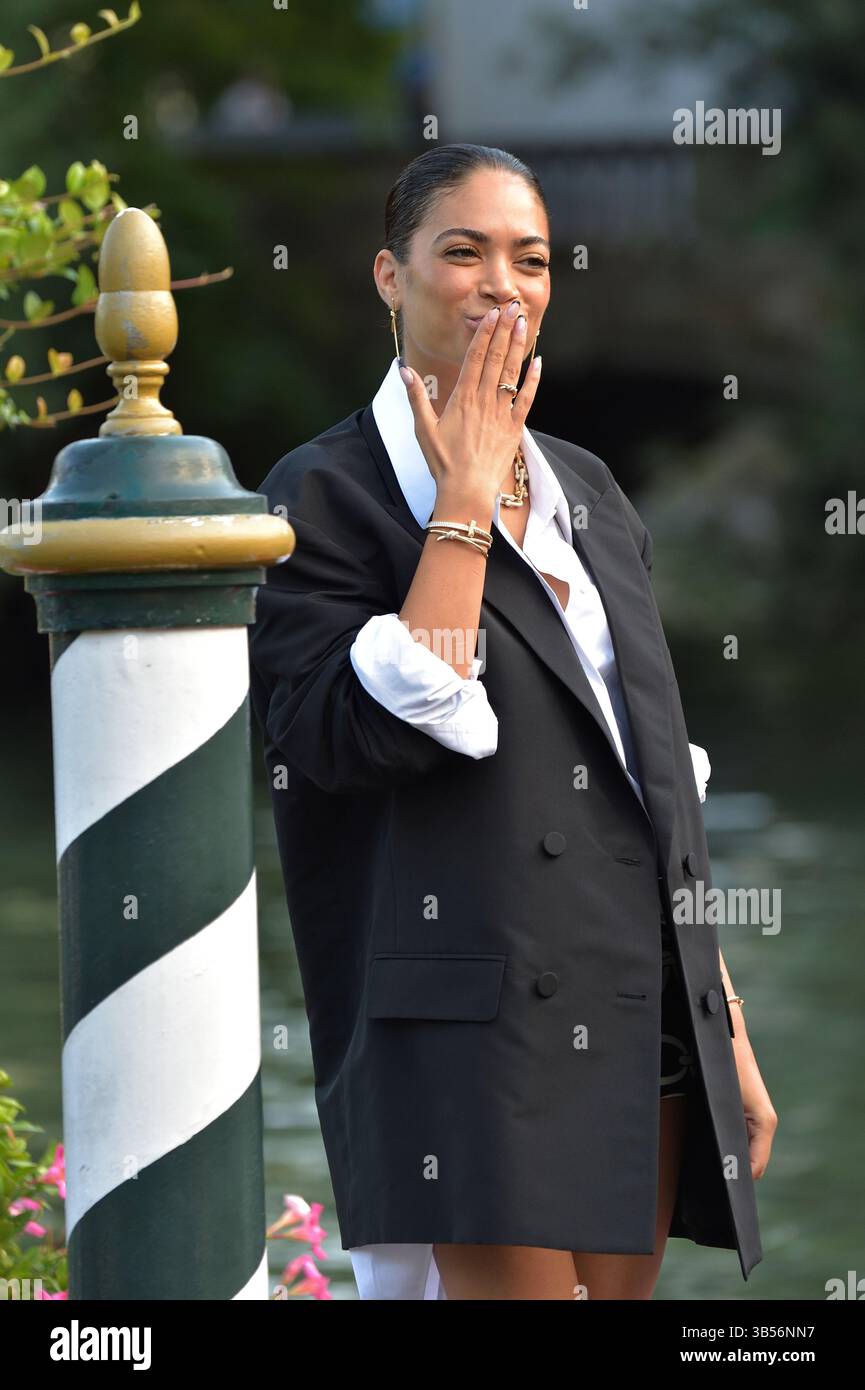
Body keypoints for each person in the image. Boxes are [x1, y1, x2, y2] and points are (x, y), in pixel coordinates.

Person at [248, 143, 777, 1300]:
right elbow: (354, 741)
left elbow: (656, 773)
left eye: (529, 259)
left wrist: (721, 1010)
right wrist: (464, 508)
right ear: (390, 277)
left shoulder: (590, 489)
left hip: (634, 1001)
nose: (502, 283)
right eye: (463, 251)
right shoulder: (318, 494)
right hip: (461, 1013)